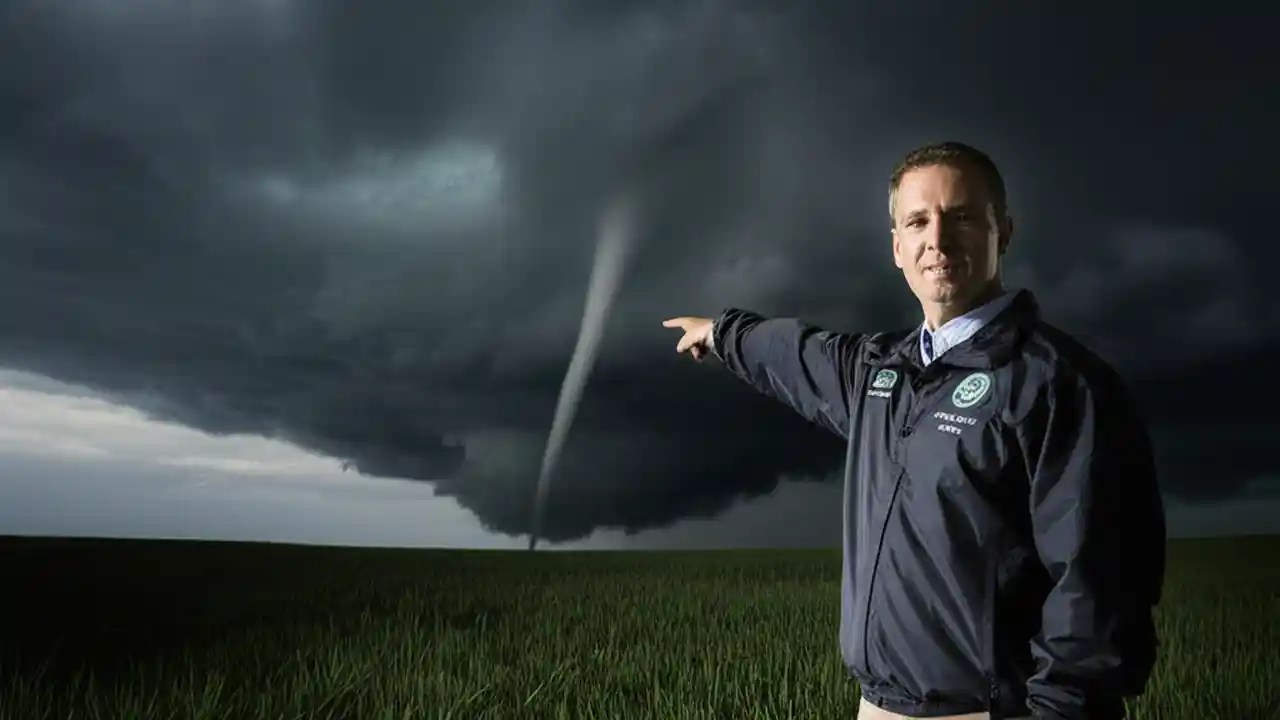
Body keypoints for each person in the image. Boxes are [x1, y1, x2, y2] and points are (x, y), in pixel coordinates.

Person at [662, 141, 1166, 719]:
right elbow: (796, 353)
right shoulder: (882, 372)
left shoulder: (1060, 385)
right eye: (918, 221)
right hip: (878, 707)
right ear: (897, 246)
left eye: (962, 217)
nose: (938, 240)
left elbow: (1099, 586)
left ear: (1003, 231)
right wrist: (721, 332)